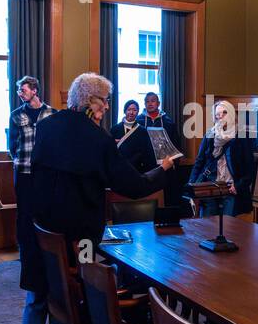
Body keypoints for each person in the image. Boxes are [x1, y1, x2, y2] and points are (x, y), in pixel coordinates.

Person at [31, 72, 177, 255]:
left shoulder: (46, 126)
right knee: (87, 276)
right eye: (105, 100)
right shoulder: (99, 138)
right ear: (91, 100)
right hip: (81, 235)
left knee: (57, 277)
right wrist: (162, 169)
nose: (107, 106)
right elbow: (134, 186)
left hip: (45, 227)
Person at [8, 75, 55, 324]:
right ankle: (27, 246)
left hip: (46, 175)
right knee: (27, 224)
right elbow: (13, 143)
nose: (20, 92)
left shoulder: (52, 114)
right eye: (18, 90)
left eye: (23, 89)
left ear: (34, 90)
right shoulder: (16, 115)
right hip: (24, 173)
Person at [186, 100, 256, 218]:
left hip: (230, 188)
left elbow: (249, 167)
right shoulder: (210, 135)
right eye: (217, 114)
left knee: (229, 227)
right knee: (208, 226)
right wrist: (191, 185)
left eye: (224, 113)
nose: (220, 116)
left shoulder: (242, 136)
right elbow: (200, 161)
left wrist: (238, 186)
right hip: (210, 186)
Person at [137, 90, 185, 205]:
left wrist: (173, 162)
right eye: (147, 101)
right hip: (146, 168)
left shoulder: (168, 122)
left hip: (165, 166)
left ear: (158, 103)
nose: (150, 103)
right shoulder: (138, 122)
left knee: (167, 198)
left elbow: (176, 144)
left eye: (153, 101)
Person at [112, 99, 154, 174]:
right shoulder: (115, 129)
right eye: (129, 110)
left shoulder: (142, 131)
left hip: (136, 169)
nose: (131, 113)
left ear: (138, 112)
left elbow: (145, 152)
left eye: (134, 110)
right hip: (118, 168)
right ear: (124, 111)